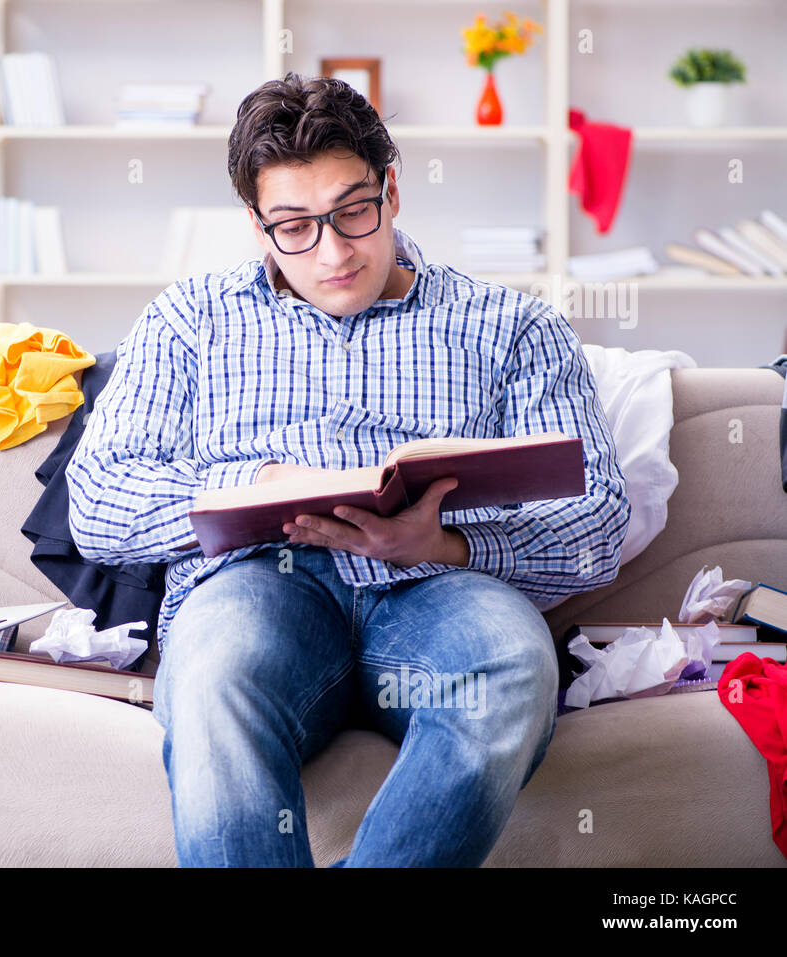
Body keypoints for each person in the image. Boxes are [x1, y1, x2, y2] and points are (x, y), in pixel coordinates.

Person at [64, 71, 630, 867]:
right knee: (212, 674)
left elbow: (598, 520)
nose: (332, 252)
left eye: (353, 212)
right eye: (295, 226)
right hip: (260, 587)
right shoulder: (190, 320)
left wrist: (447, 547)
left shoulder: (512, 327)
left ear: (392, 190)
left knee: (510, 661)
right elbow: (96, 501)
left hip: (439, 596)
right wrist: (254, 486)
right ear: (257, 227)